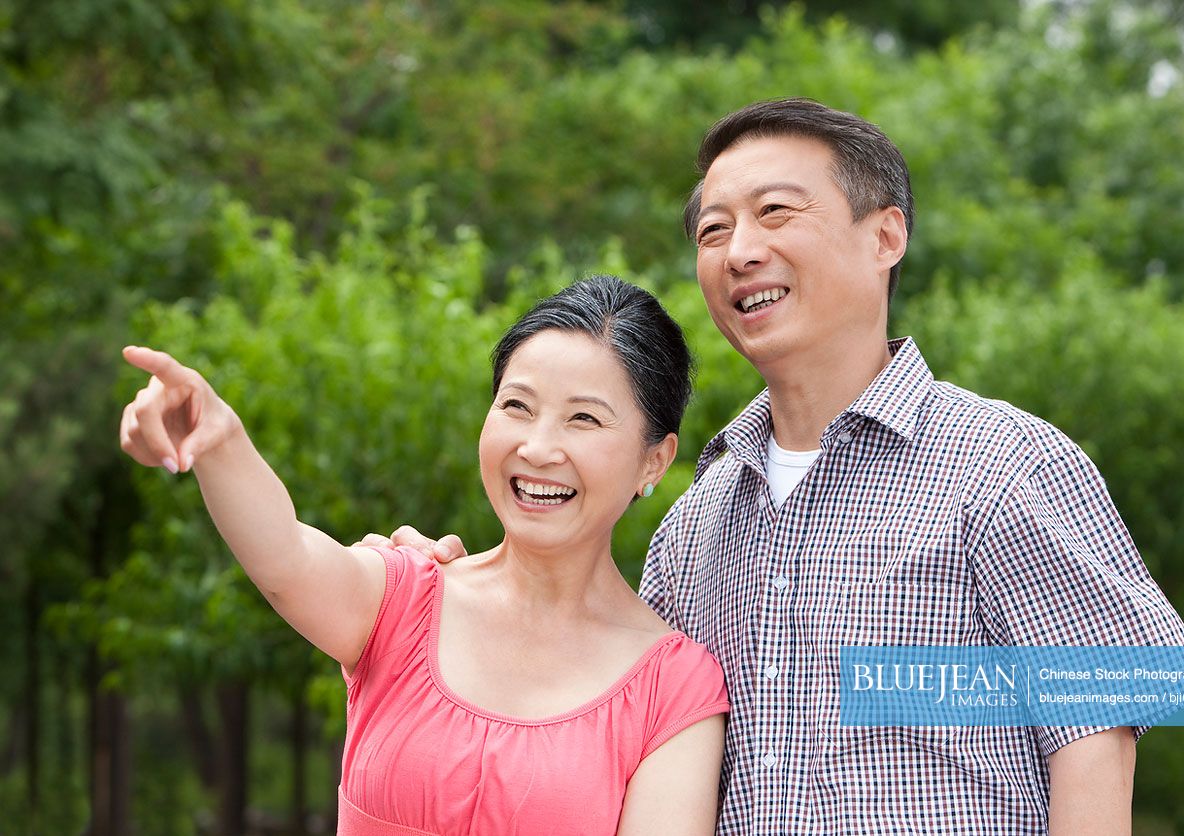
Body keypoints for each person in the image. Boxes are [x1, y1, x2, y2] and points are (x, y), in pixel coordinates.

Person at [386, 99, 1184, 834]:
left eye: (775, 213)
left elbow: (1097, 744)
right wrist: (455, 595)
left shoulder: (1006, 463)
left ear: (885, 236)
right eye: (712, 230)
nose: (739, 251)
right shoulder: (690, 525)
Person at [118, 275, 729, 835]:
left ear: (654, 460)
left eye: (584, 419)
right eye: (517, 406)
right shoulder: (402, 599)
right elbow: (285, 557)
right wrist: (218, 437)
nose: (538, 448)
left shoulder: (672, 690)